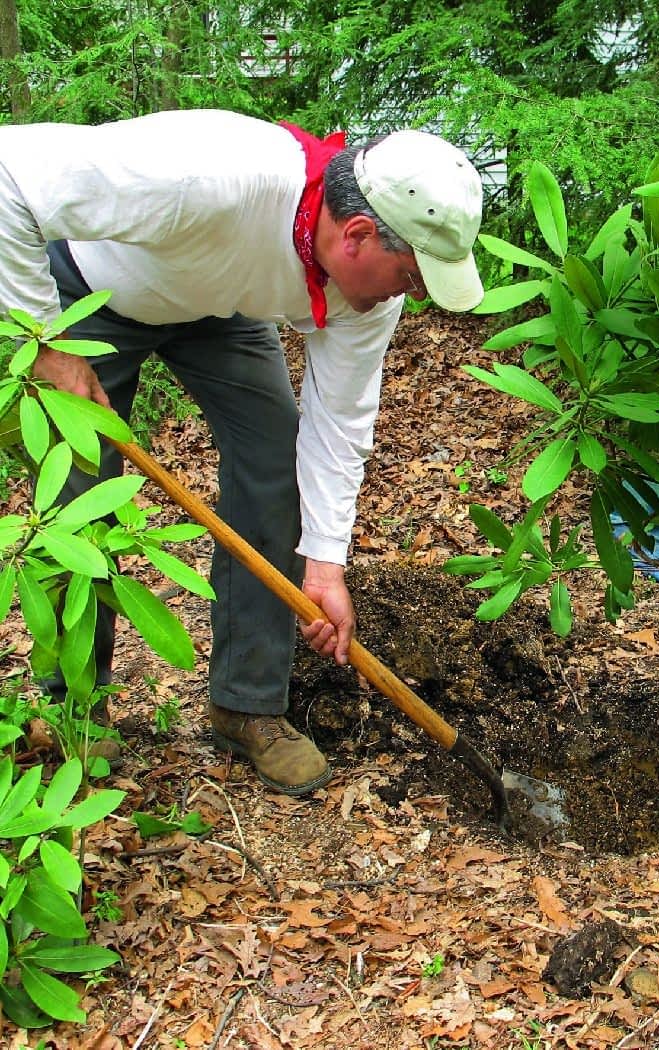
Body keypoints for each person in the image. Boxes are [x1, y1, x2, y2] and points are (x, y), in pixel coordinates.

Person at [0, 109, 485, 795]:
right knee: (81, 492)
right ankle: (71, 703)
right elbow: (8, 174)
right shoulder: (207, 177)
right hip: (91, 293)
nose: (413, 295)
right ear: (357, 234)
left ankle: (245, 705)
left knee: (274, 459)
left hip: (215, 305)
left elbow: (338, 423)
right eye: (410, 275)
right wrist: (46, 342)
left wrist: (324, 568)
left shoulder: (368, 296)